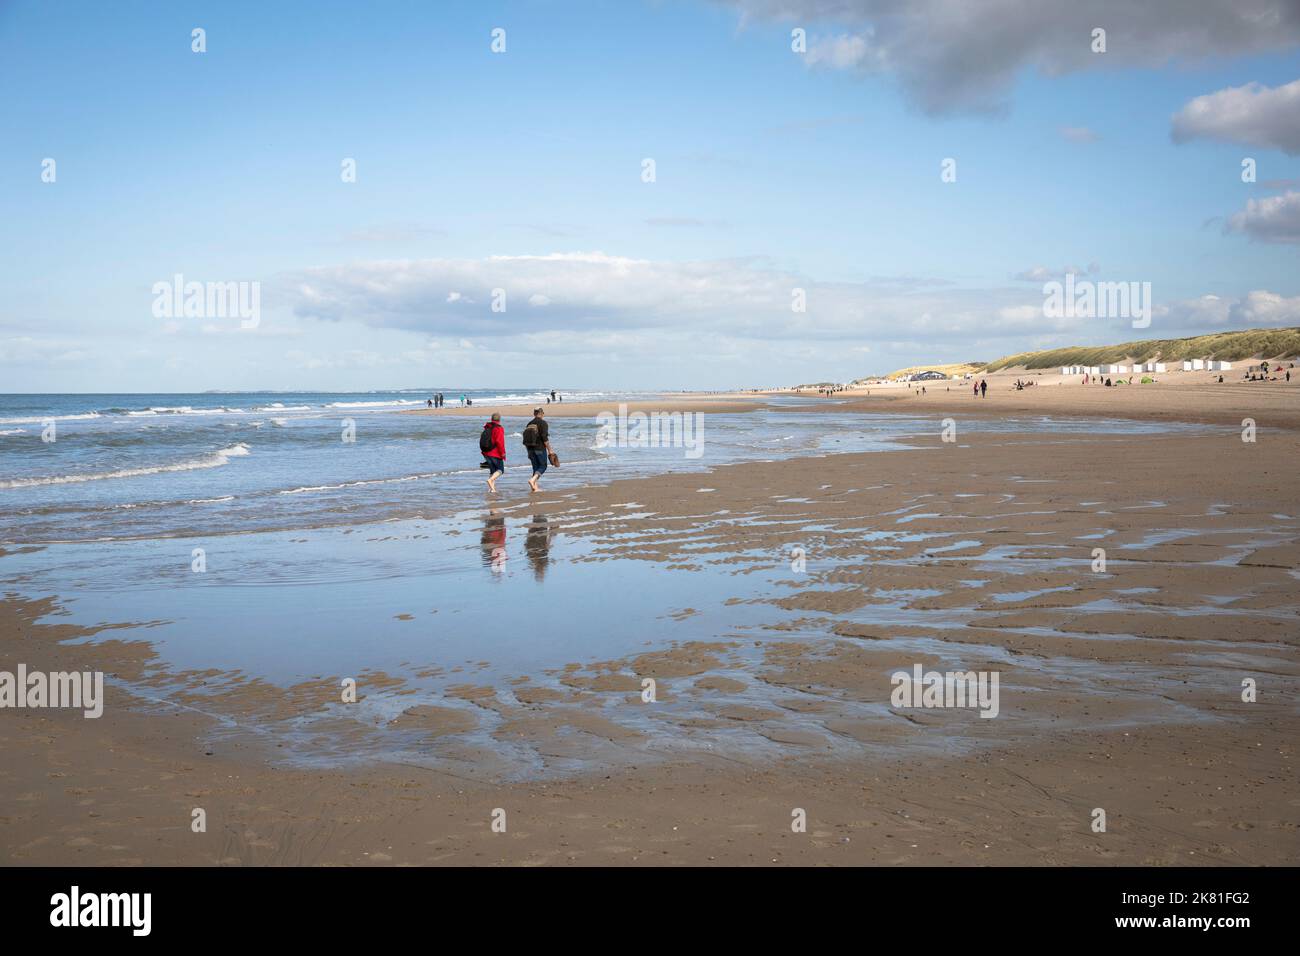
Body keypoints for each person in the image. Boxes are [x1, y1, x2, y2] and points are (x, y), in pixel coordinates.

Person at [522, 406, 553, 493]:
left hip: (530, 449)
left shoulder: (529, 423)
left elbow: (526, 438)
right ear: (542, 413)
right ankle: (532, 481)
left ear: (534, 414)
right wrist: (550, 449)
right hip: (539, 448)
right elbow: (544, 437)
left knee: (535, 468)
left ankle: (535, 487)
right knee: (543, 466)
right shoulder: (543, 423)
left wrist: (528, 452)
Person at [480, 412, 506, 493]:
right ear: (499, 420)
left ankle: (491, 489)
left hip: (486, 453)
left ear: (491, 419)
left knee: (492, 471)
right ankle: (490, 480)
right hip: (495, 453)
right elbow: (499, 442)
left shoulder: (487, 427)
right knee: (500, 470)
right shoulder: (499, 428)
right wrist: (503, 453)